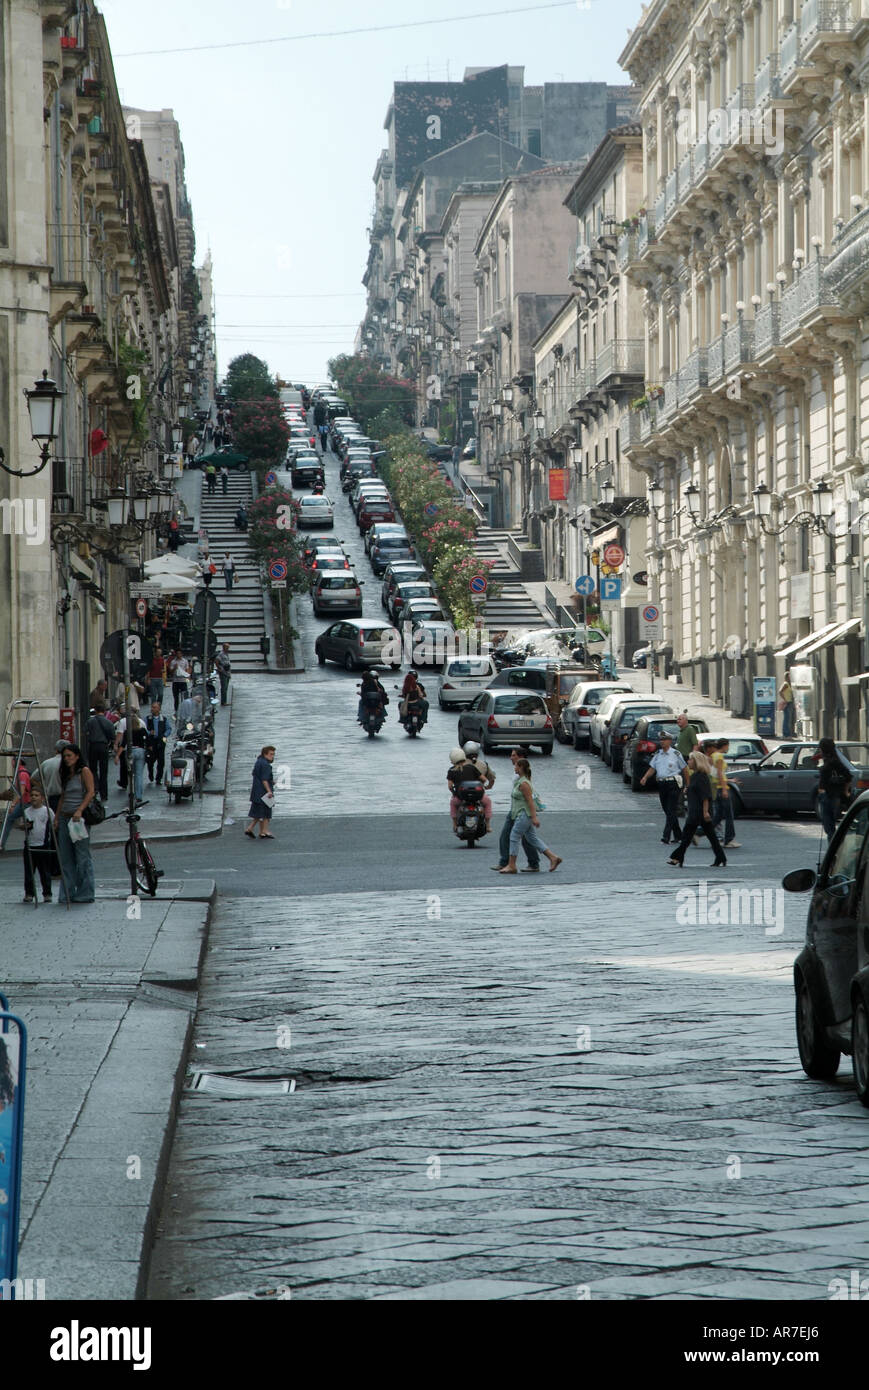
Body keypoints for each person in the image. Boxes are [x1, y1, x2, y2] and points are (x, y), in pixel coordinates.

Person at [500, 757, 562, 874]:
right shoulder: (521, 781)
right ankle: (553, 857)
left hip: (524, 814)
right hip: (522, 814)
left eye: (517, 766)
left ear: (521, 768)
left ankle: (512, 865)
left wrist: (534, 817)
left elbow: (530, 801)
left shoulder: (524, 784)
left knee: (514, 836)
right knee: (532, 838)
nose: (515, 768)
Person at [668, 751, 727, 867]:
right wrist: (687, 790)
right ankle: (721, 857)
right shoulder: (694, 776)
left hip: (699, 812)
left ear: (696, 762)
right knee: (711, 837)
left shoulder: (702, 777)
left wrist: (705, 812)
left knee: (686, 836)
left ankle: (677, 858)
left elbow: (705, 796)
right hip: (694, 810)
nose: (688, 762)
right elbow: (695, 791)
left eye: (690, 760)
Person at [54, 745, 96, 904]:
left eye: (69, 755)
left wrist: (80, 810)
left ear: (77, 756)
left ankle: (86, 892)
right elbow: (62, 797)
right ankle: (66, 894)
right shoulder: (66, 774)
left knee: (82, 856)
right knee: (66, 858)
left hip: (78, 820)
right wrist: (57, 817)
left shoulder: (84, 771)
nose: (66, 759)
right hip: (65, 818)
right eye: (64, 756)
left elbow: (91, 792)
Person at [639, 731, 686, 844]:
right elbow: (652, 768)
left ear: (670, 741)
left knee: (670, 809)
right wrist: (645, 777)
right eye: (661, 740)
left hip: (673, 783)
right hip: (662, 784)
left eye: (664, 740)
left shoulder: (676, 754)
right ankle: (679, 835)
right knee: (667, 810)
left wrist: (687, 785)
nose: (662, 742)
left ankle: (666, 836)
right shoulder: (658, 754)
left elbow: (685, 768)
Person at [813, 737, 855, 842]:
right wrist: (845, 791)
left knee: (829, 827)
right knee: (832, 826)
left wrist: (822, 794)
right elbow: (848, 776)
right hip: (835, 796)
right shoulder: (835, 761)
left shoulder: (829, 763)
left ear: (823, 749)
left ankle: (833, 850)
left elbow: (823, 785)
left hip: (828, 796)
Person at [447, 743, 494, 834]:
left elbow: (449, 786)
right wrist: (481, 786)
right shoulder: (472, 767)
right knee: (488, 802)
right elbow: (484, 779)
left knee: (453, 803)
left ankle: (455, 824)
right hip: (477, 797)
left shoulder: (451, 771)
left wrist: (454, 791)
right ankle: (488, 825)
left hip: (460, 798)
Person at [22, 783, 54, 904]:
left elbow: (53, 823)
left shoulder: (47, 811)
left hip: (43, 845)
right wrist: (24, 826)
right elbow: (22, 825)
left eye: (36, 795)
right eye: (32, 795)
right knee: (29, 871)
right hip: (30, 845)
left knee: (45, 871)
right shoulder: (27, 811)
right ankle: (29, 893)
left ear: (42, 798)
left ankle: (47, 893)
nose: (34, 797)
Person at [709, 738, 740, 849]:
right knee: (729, 815)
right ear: (724, 745)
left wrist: (730, 780)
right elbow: (720, 774)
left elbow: (714, 775)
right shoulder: (720, 757)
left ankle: (699, 832)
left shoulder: (713, 756)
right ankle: (729, 839)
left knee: (718, 816)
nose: (728, 748)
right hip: (721, 789)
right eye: (728, 746)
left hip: (715, 789)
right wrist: (725, 789)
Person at [113, 712, 147, 804]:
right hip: (140, 751)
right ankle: (139, 795)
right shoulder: (143, 730)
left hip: (130, 752)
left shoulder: (127, 732)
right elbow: (147, 741)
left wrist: (117, 756)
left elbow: (123, 745)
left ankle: (131, 792)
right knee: (139, 775)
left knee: (130, 774)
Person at [85, 702, 115, 802]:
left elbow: (85, 732)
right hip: (103, 746)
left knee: (93, 769)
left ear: (96, 711)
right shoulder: (108, 722)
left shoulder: (90, 721)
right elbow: (112, 736)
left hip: (93, 746)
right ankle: (104, 795)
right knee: (104, 771)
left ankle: (95, 788)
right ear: (104, 711)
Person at [246, 745, 276, 839]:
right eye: (271, 754)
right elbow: (264, 780)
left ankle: (254, 830)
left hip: (256, 791)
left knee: (259, 813)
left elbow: (255, 774)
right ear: (265, 754)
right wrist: (269, 791)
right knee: (266, 812)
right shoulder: (266, 765)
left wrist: (270, 781)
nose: (273, 756)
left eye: (273, 754)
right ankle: (264, 831)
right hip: (263, 792)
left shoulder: (258, 762)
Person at [0, 758, 31, 850]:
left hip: (26, 803)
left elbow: (21, 792)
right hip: (24, 803)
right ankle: (2, 843)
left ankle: (2, 843)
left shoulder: (22, 774)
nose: (11, 762)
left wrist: (13, 804)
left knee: (12, 819)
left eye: (13, 760)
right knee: (10, 819)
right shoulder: (20, 773)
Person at [37, 739, 71, 812]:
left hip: (52, 797)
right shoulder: (69, 763)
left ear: (56, 750)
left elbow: (33, 779)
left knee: (54, 819)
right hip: (68, 798)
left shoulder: (46, 763)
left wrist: (44, 787)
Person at [145, 702, 172, 786]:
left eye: (155, 707)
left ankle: (158, 778)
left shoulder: (163, 719)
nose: (152, 709)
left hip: (160, 741)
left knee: (161, 761)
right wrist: (149, 732)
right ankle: (150, 774)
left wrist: (164, 735)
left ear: (159, 709)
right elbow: (144, 728)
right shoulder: (148, 718)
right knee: (150, 760)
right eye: (152, 707)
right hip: (151, 742)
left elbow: (168, 729)